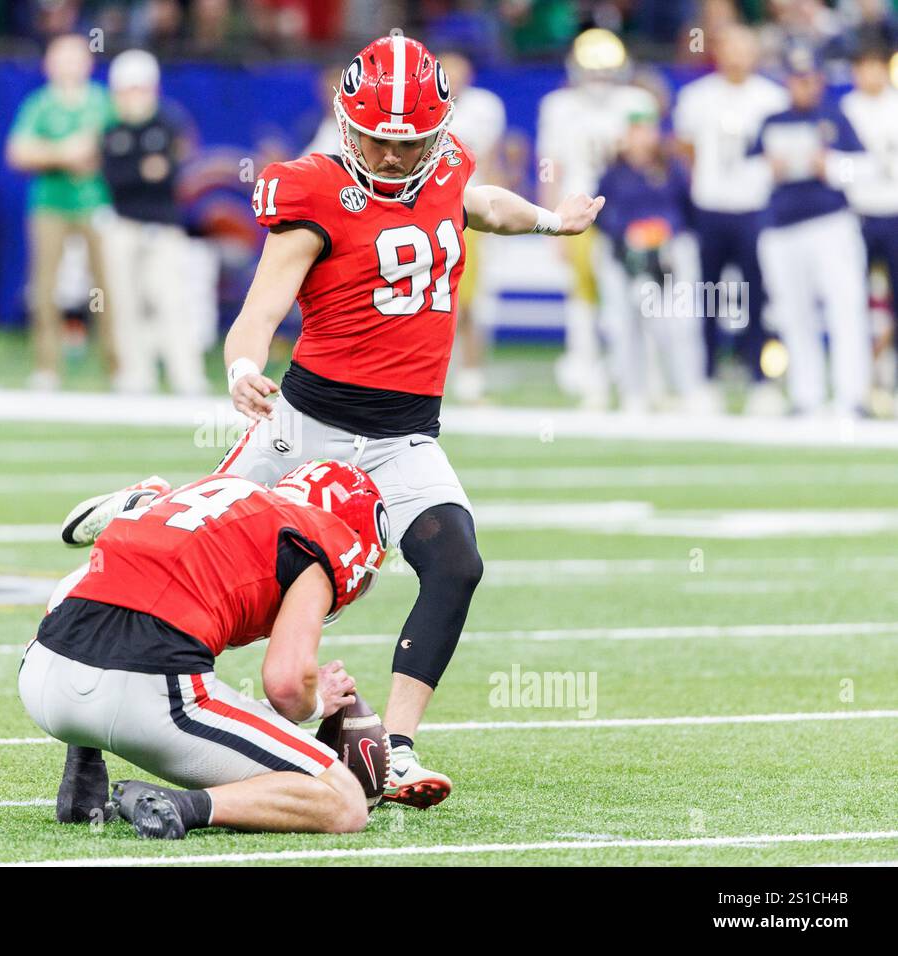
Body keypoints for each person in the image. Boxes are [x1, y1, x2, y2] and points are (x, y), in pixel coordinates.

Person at [69, 36, 604, 809]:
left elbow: (477, 203)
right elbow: (260, 309)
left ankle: (397, 747)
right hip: (305, 426)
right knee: (190, 568)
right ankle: (145, 516)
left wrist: (552, 223)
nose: (392, 157)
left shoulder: (447, 162)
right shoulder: (314, 192)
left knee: (456, 563)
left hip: (404, 436)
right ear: (347, 123)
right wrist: (243, 369)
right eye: (379, 141)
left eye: (409, 142)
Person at [22, 460, 387, 839]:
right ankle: (178, 805)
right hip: (144, 697)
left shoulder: (206, 496)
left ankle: (84, 762)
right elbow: (287, 686)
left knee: (107, 591)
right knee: (344, 802)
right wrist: (313, 703)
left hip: (41, 677)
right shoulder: (320, 537)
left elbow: (67, 589)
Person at [536, 28, 657, 409]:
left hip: (629, 208)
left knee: (640, 293)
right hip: (579, 208)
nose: (600, 80)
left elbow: (653, 156)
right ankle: (589, 373)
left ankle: (641, 375)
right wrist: (548, 220)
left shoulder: (637, 100)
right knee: (584, 295)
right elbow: (549, 166)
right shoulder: (560, 106)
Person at [673, 23, 789, 415]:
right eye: (731, 48)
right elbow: (686, 149)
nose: (737, 57)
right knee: (707, 296)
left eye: (745, 48)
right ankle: (705, 380)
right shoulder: (697, 96)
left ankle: (761, 379)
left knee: (759, 298)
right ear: (718, 51)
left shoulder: (772, 97)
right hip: (710, 207)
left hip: (755, 207)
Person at [752, 44, 871, 417]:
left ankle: (852, 396)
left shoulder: (836, 116)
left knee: (845, 307)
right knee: (793, 313)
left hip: (830, 224)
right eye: (798, 79)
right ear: (788, 81)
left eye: (811, 78)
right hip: (782, 227)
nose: (805, 86)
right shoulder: (772, 121)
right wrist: (766, 170)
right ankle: (807, 395)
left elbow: (867, 169)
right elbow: (744, 175)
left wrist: (832, 166)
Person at [6, 33, 114, 391]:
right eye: (60, 58)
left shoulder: (103, 102)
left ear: (88, 63)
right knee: (44, 289)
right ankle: (47, 367)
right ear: (48, 65)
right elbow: (18, 152)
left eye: (74, 58)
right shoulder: (39, 104)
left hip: (97, 204)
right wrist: (64, 153)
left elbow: (117, 149)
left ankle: (117, 366)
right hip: (50, 205)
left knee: (108, 288)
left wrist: (92, 157)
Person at [100, 49, 205, 395]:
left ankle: (185, 374)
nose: (134, 97)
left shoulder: (168, 123)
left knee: (171, 299)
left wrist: (149, 172)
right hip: (123, 222)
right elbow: (115, 177)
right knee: (125, 301)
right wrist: (145, 171)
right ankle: (135, 373)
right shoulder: (111, 128)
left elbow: (173, 170)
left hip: (163, 224)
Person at [595, 108, 706, 413]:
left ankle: (688, 388)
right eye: (637, 131)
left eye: (649, 130)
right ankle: (633, 392)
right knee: (623, 325)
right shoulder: (614, 174)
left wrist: (662, 232)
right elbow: (601, 216)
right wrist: (630, 236)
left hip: (669, 255)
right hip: (625, 258)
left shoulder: (671, 169)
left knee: (679, 324)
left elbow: (688, 212)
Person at [439, 50, 506, 405]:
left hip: (469, 211)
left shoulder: (485, 107)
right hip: (426, 211)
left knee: (469, 300)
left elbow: (493, 161)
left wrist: (496, 211)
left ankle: (470, 379)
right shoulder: (422, 103)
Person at [840, 45, 898, 396]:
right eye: (864, 66)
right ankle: (857, 376)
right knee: (851, 298)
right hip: (856, 213)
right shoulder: (844, 109)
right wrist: (858, 172)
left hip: (895, 211)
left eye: (877, 65)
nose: (871, 74)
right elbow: (835, 162)